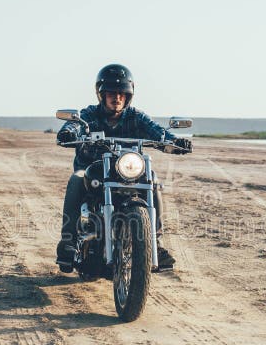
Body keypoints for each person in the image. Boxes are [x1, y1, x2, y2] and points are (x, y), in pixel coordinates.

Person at [55, 63, 192, 271]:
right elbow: (76, 124)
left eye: (121, 93)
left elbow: (157, 132)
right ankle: (68, 243)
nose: (116, 97)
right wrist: (69, 132)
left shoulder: (136, 117)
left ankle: (155, 242)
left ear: (128, 96)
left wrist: (175, 142)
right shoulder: (90, 114)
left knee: (152, 180)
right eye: (111, 92)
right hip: (94, 169)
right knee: (76, 178)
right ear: (101, 94)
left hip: (126, 170)